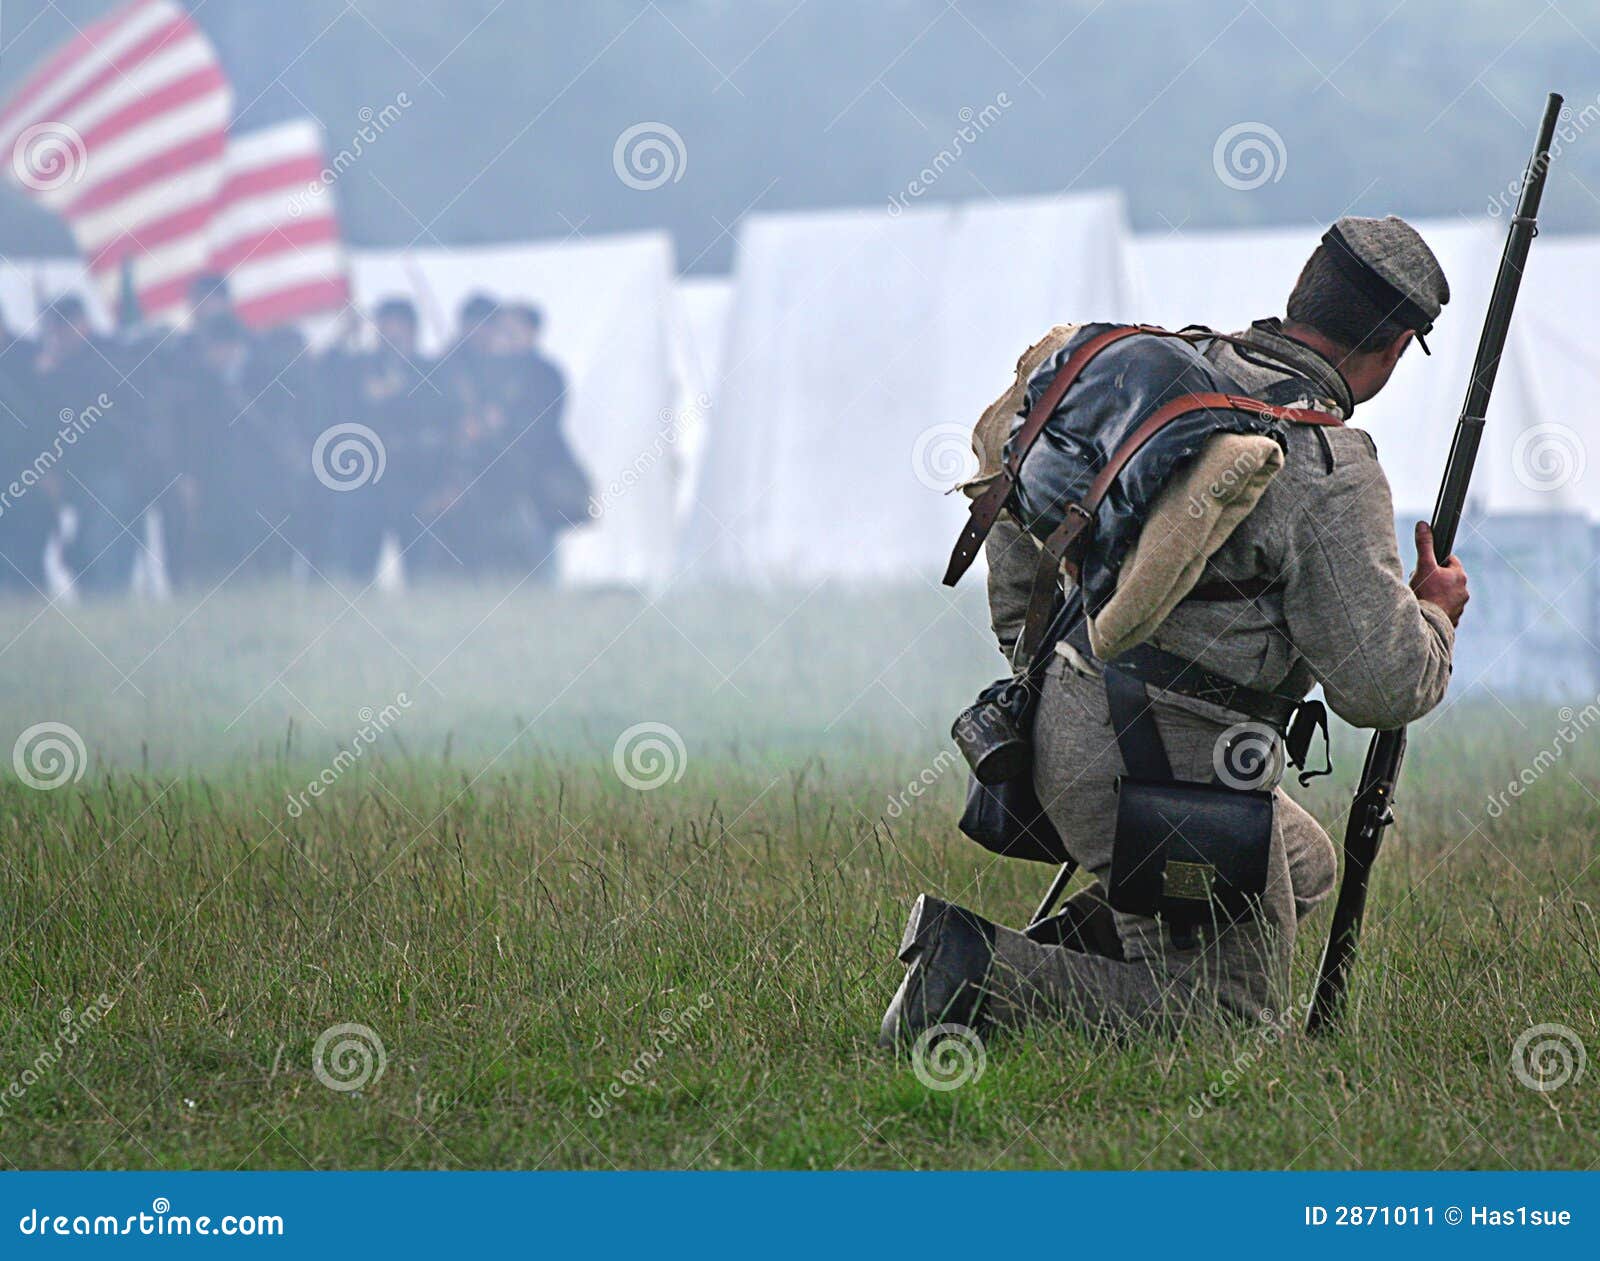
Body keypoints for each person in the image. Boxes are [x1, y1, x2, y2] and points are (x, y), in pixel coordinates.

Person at [879, 215, 1471, 1044]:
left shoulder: (1171, 369)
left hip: (1060, 714)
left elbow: (1016, 504)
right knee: (1231, 1029)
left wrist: (1033, 660)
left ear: (1302, 295)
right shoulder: (1330, 467)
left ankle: (1067, 972)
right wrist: (1435, 615)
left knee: (1304, 864)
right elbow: (1382, 684)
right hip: (1163, 777)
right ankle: (972, 973)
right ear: (1399, 345)